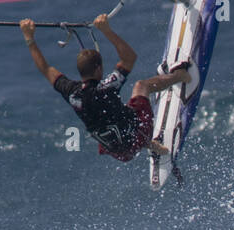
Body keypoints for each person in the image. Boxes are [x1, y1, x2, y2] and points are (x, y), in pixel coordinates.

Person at [19, 13, 191, 162]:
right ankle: (181, 75)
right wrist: (106, 30)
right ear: (98, 69)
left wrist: (29, 38)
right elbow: (129, 58)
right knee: (141, 86)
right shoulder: (106, 88)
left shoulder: (72, 93)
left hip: (118, 152)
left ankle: (154, 147)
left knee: (119, 114)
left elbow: (46, 69)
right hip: (136, 137)